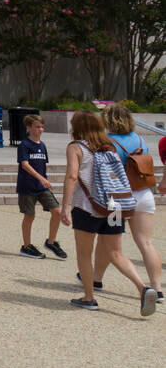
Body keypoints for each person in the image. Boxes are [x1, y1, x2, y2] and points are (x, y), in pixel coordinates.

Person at [61, 110, 156, 314]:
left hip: (88, 208)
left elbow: (71, 177)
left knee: (84, 253)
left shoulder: (76, 147)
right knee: (116, 253)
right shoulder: (109, 148)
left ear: (76, 128)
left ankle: (89, 297)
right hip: (114, 207)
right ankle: (144, 288)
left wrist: (66, 206)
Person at [98, 104, 161, 302]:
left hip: (118, 199)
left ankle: (95, 279)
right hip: (143, 195)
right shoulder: (141, 139)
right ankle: (158, 289)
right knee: (146, 242)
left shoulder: (107, 141)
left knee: (108, 241)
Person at [15, 114, 65, 260]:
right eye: (37, 127)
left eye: (42, 127)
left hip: (41, 187)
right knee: (29, 216)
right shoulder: (24, 145)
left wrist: (43, 180)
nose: (40, 129)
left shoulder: (42, 145)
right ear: (29, 128)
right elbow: (25, 165)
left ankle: (51, 242)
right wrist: (41, 178)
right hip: (27, 186)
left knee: (57, 211)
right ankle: (26, 246)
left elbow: (42, 165)